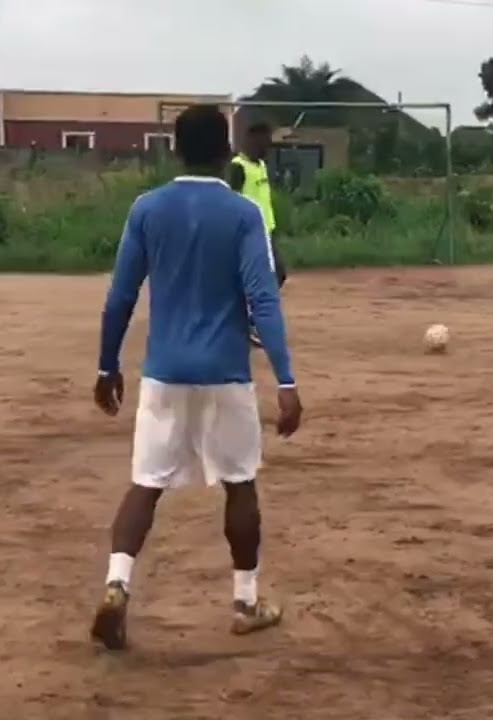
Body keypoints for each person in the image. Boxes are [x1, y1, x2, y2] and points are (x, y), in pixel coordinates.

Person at [91, 104, 303, 650]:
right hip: (225, 372)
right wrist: (285, 378)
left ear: (177, 148)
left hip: (164, 371)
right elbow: (263, 298)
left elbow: (120, 297)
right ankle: (246, 599)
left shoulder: (146, 209)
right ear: (223, 151)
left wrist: (107, 363)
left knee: (146, 483)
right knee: (240, 483)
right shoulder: (242, 214)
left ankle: (117, 585)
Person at [229, 121, 284, 347]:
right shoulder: (237, 167)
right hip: (247, 233)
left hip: (265, 230)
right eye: (264, 144)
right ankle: (246, 322)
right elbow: (229, 199)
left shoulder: (260, 165)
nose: (267, 149)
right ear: (251, 142)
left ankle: (245, 320)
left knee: (276, 275)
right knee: (264, 277)